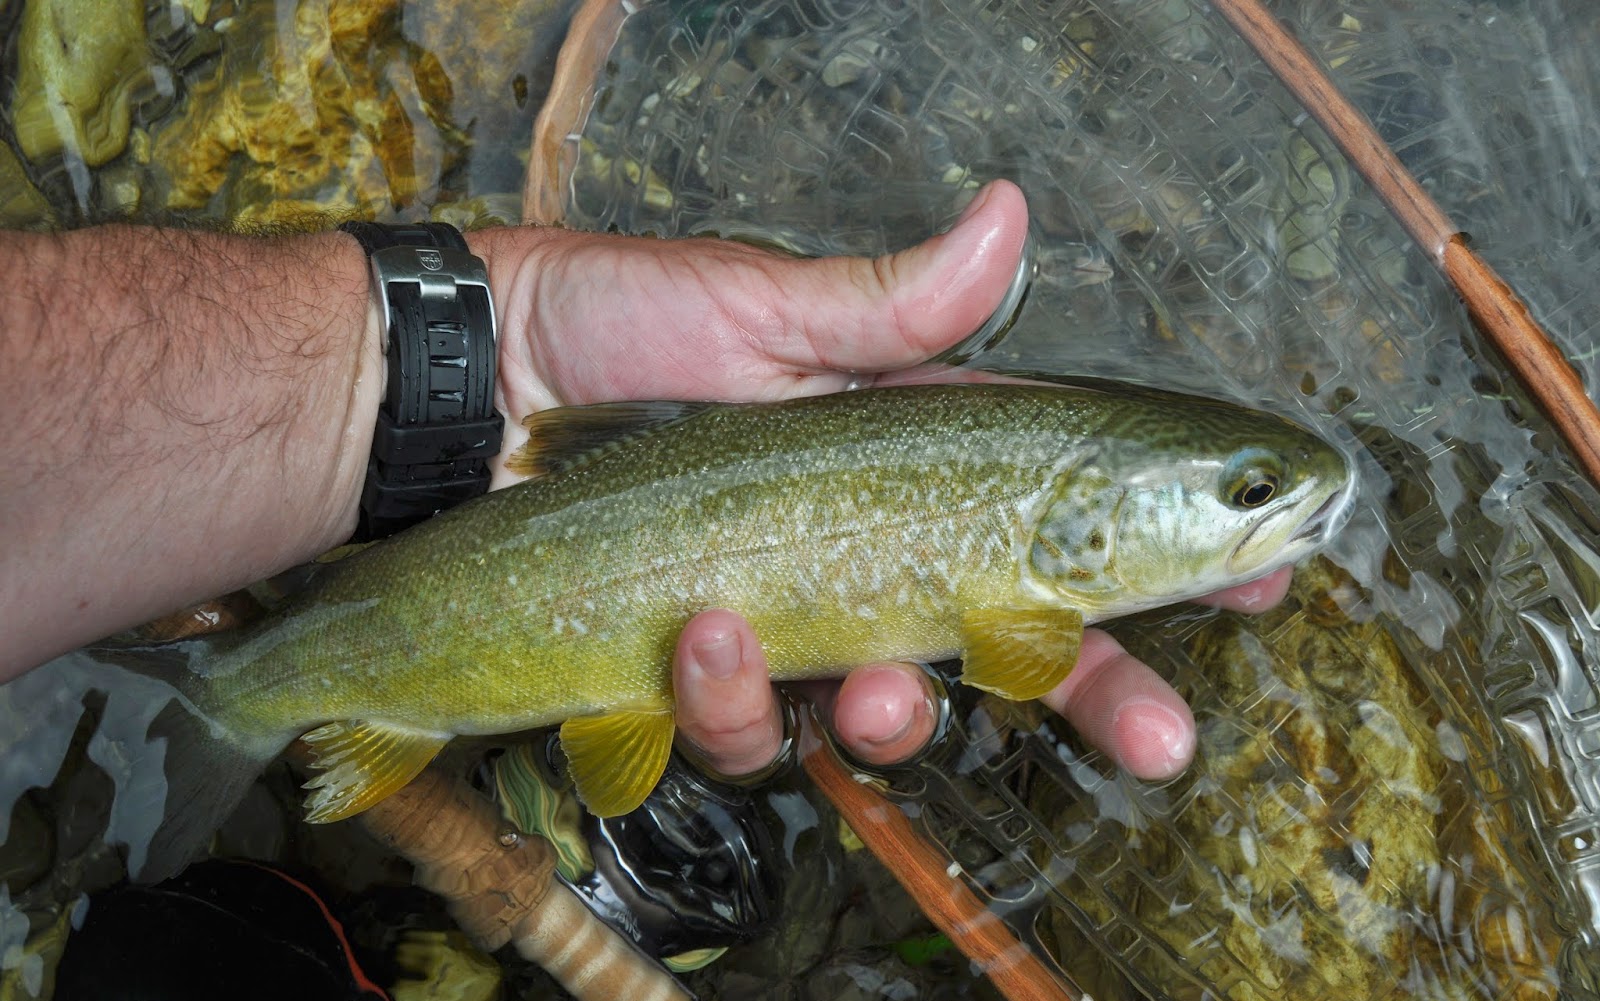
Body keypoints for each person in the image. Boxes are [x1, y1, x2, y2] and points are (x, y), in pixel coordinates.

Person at [0, 179, 1288, 789]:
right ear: (1090, 511)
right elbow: (1010, 659)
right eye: (1245, 493)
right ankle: (234, 697)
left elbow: (1012, 657)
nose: (1270, 516)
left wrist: (392, 383)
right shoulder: (1035, 582)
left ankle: (234, 691)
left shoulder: (1037, 575)